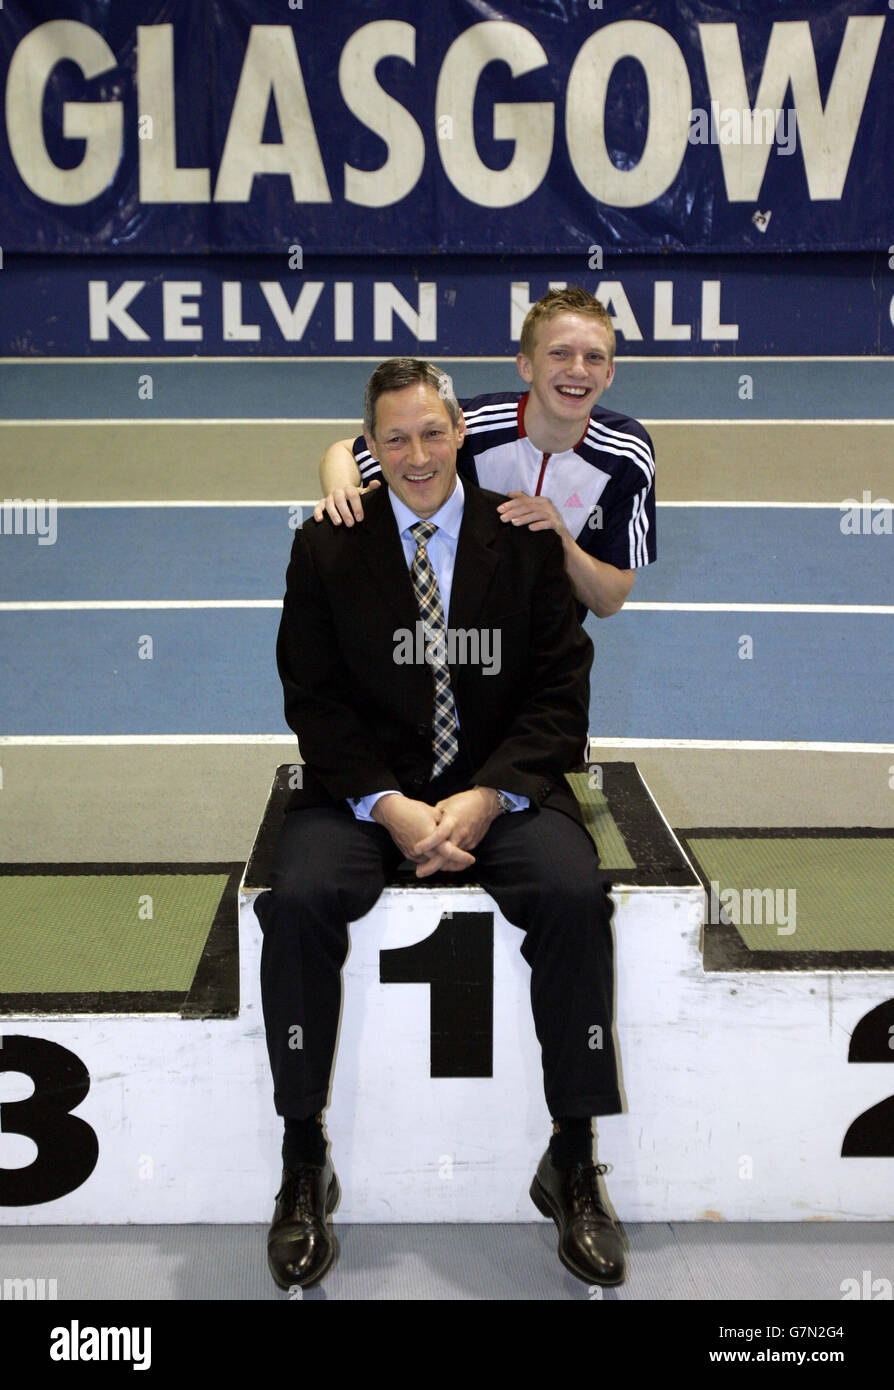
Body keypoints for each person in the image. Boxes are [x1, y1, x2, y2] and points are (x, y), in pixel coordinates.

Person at [255, 356, 626, 1291]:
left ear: (461, 433)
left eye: (432, 432)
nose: (417, 455)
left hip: (497, 791)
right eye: (394, 439)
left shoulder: (528, 543)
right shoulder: (326, 547)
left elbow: (558, 699)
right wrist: (387, 802)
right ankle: (303, 1158)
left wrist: (488, 794)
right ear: (368, 451)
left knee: (576, 895)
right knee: (295, 902)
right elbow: (315, 701)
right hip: (366, 793)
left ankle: (572, 1157)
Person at [315, 286, 656, 619]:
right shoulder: (474, 427)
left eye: (594, 357)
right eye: (559, 353)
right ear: (526, 366)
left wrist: (560, 540)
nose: (578, 370)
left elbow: (609, 600)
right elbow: (344, 452)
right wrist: (342, 492)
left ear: (609, 373)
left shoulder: (626, 455)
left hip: (549, 648)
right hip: (457, 630)